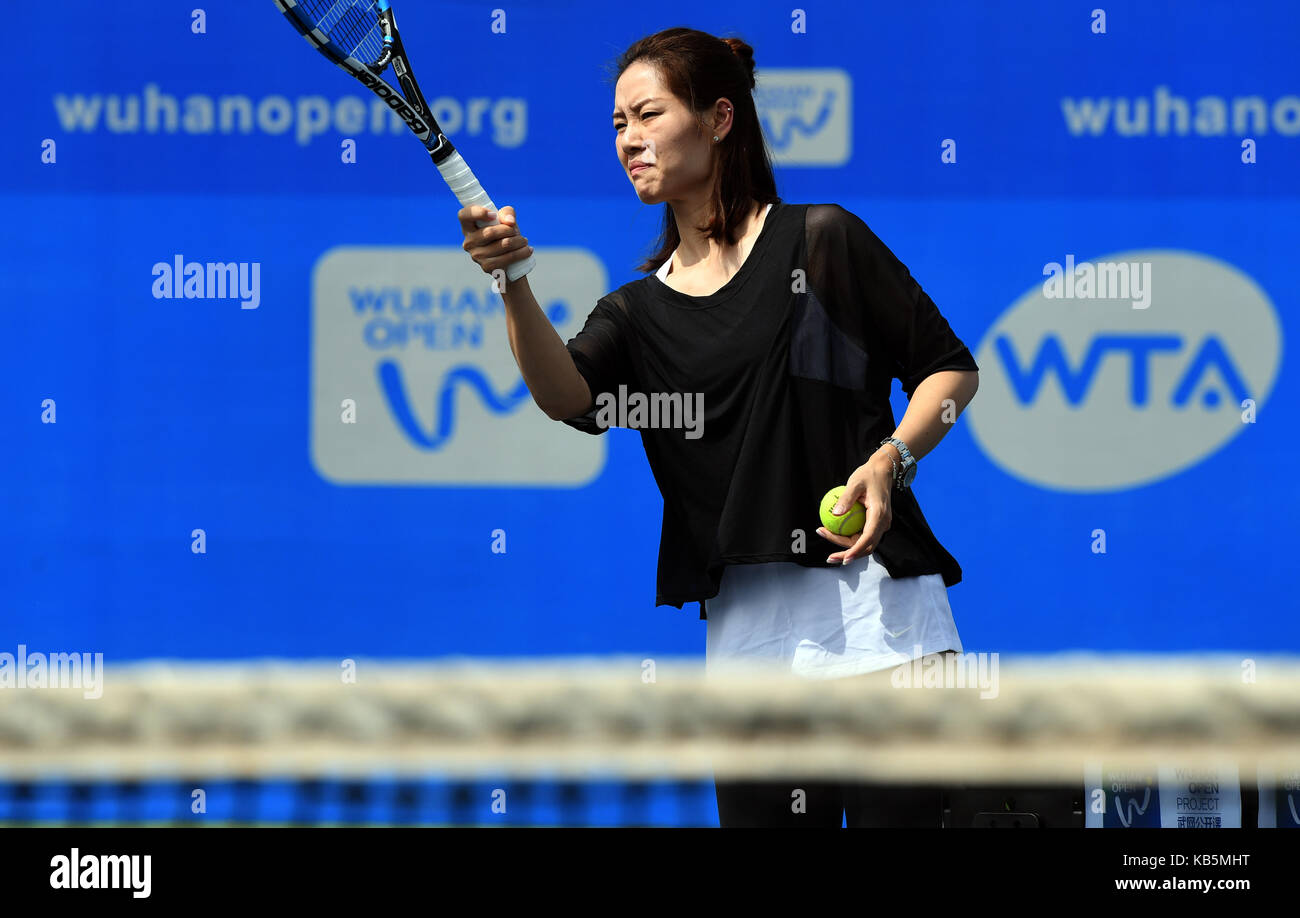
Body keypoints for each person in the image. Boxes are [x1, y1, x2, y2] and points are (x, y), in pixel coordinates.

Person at [456, 26, 980, 827]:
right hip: (752, 659)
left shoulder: (823, 239)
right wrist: (511, 283)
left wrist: (891, 460)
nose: (629, 139)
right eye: (617, 124)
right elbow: (567, 398)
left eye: (648, 114)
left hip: (891, 636)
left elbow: (950, 370)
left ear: (720, 119)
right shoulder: (633, 313)